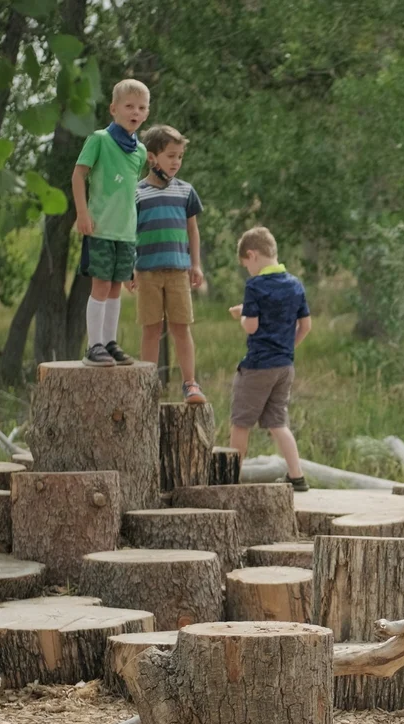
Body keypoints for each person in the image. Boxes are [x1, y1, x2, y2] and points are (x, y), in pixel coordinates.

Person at [226, 226, 312, 492]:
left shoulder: (255, 285)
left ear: (251, 255)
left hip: (258, 365)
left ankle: (230, 478)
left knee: (240, 422)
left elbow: (251, 326)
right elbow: (306, 326)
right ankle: (297, 476)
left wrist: (241, 315)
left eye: (246, 265)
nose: (247, 271)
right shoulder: (295, 284)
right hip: (284, 366)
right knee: (278, 423)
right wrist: (286, 348)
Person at [73, 78, 150, 367]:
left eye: (141, 108)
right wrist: (82, 213)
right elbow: (78, 176)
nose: (135, 112)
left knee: (117, 286)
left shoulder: (140, 151)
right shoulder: (99, 140)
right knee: (101, 285)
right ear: (113, 109)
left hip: (125, 231)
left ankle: (109, 341)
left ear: (146, 113)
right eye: (129, 106)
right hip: (101, 227)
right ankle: (93, 346)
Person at [131, 124, 206, 403]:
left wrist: (196, 264)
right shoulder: (137, 193)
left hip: (178, 270)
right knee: (151, 328)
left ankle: (190, 383)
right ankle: (148, 385)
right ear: (152, 158)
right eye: (171, 156)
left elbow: (192, 230)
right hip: (147, 271)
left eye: (180, 157)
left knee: (181, 327)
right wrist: (131, 267)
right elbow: (130, 233)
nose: (176, 162)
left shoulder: (185, 192)